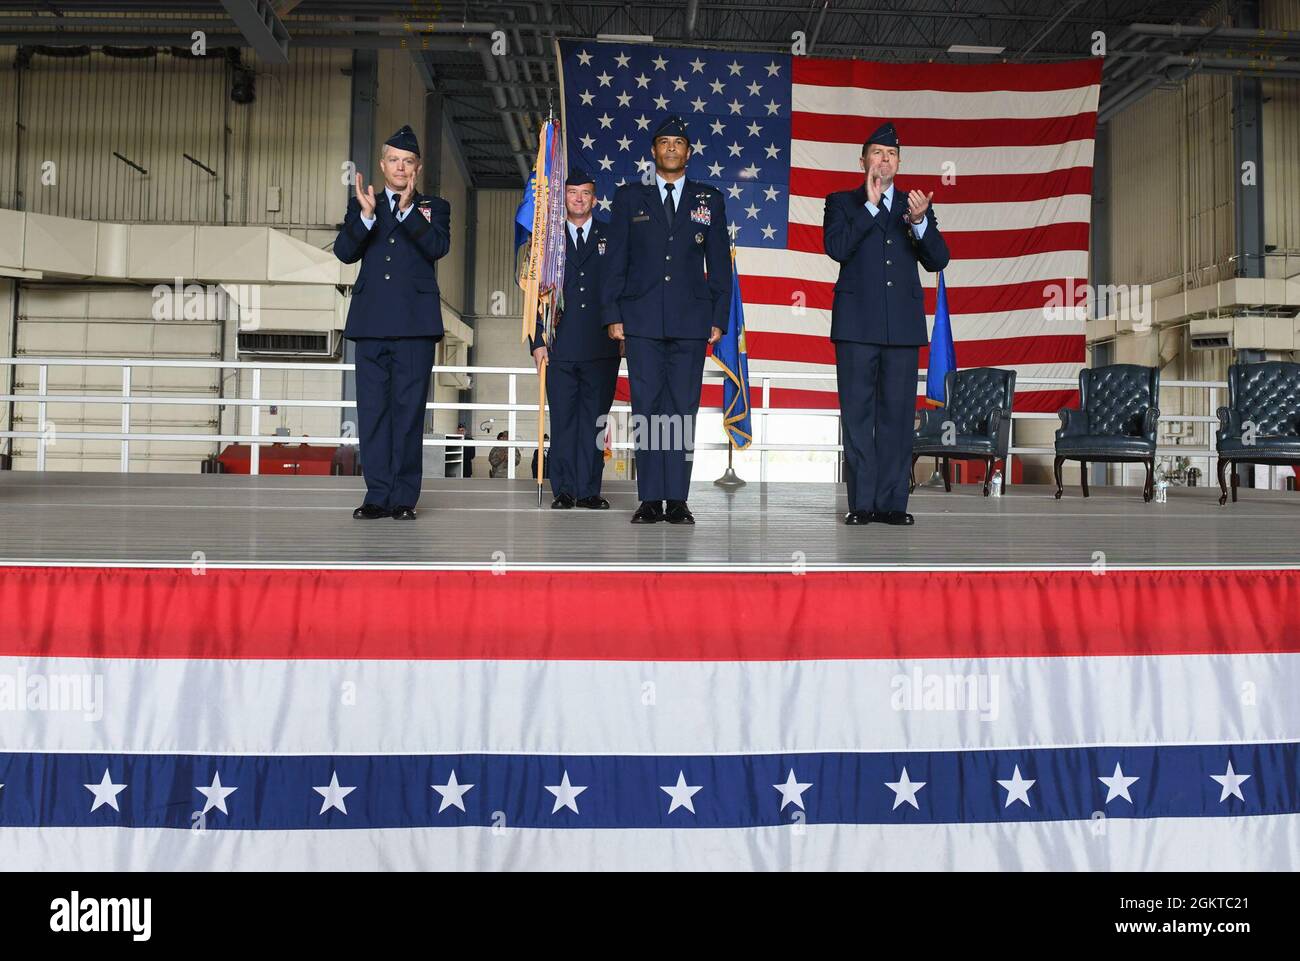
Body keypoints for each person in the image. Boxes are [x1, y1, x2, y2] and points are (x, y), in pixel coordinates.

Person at [601, 115, 731, 525]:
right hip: (640, 320)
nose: (671, 148)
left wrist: (718, 318)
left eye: (679, 142)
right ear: (653, 151)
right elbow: (615, 261)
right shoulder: (628, 199)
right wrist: (613, 315)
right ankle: (648, 498)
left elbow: (719, 266)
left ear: (688, 153)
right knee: (647, 410)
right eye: (664, 142)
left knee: (680, 411)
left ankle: (676, 498)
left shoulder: (709, 199)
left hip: (692, 322)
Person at [822, 121, 949, 527]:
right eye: (877, 153)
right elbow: (837, 248)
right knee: (858, 419)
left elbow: (938, 260)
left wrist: (920, 222)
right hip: (856, 329)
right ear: (863, 161)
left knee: (896, 419)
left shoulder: (913, 208)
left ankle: (894, 503)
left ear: (898, 162)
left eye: (891, 154)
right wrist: (871, 207)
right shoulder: (842, 202)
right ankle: (861, 504)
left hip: (901, 330)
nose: (884, 159)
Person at [333, 124, 451, 521]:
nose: (401, 167)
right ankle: (377, 494)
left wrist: (405, 209)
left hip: (415, 326)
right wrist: (367, 217)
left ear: (418, 167)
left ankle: (404, 498)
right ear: (383, 165)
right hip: (370, 324)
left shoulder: (434, 206)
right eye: (395, 160)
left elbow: (437, 247)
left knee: (408, 412)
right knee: (373, 412)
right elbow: (345, 253)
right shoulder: (363, 204)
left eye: (409, 161)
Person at [529, 169, 620, 510]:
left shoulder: (612, 237)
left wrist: (622, 330)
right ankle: (564, 489)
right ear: (562, 198)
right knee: (564, 420)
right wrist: (537, 340)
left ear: (595, 198)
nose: (579, 199)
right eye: (572, 193)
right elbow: (533, 295)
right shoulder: (547, 242)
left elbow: (623, 288)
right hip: (558, 345)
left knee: (594, 420)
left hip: (601, 344)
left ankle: (589, 490)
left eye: (585, 193)